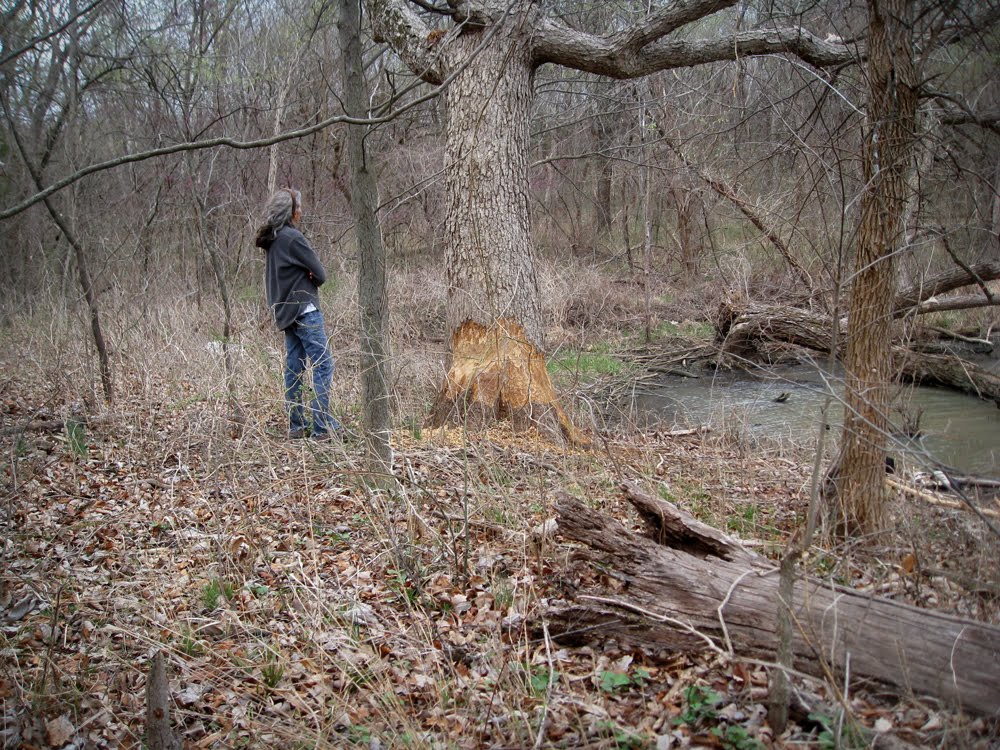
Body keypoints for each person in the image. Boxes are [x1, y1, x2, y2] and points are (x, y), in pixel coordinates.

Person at [255, 188, 343, 440]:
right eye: (299, 208)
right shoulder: (293, 238)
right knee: (323, 364)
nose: (301, 212)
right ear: (292, 212)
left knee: (294, 368)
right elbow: (321, 275)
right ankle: (321, 426)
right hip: (304, 310)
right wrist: (309, 276)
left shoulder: (272, 241)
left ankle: (296, 426)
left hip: (285, 313)